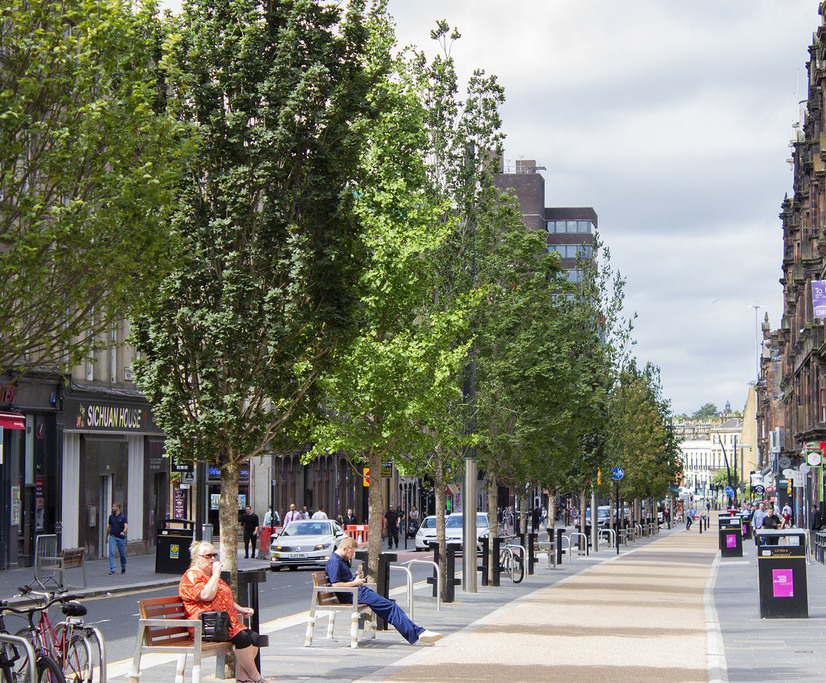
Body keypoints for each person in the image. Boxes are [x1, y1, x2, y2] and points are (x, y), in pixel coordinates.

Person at [179, 541, 271, 683]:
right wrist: (216, 574)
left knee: (253, 637)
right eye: (208, 556)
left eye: (214, 555)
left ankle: (242, 678)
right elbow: (206, 596)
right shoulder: (192, 575)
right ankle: (255, 676)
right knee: (242, 638)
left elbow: (222, 596)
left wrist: (240, 608)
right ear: (197, 558)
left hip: (221, 623)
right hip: (204, 626)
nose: (213, 559)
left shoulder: (209, 574)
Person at [326, 536, 442, 644]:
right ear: (345, 549)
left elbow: (342, 581)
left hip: (358, 593)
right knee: (391, 608)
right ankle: (417, 633)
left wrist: (355, 578)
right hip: (355, 595)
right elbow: (335, 585)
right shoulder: (335, 562)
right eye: (351, 552)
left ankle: (417, 632)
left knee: (390, 608)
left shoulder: (339, 560)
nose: (352, 555)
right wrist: (355, 583)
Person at [107, 502, 128, 575]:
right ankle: (113, 569)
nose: (112, 508)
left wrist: (124, 532)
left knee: (122, 554)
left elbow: (126, 526)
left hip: (120, 537)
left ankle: (123, 567)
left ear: (118, 508)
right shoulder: (111, 517)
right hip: (112, 536)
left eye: (114, 507)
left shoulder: (123, 517)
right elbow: (109, 527)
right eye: (112, 506)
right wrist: (107, 537)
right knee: (111, 553)